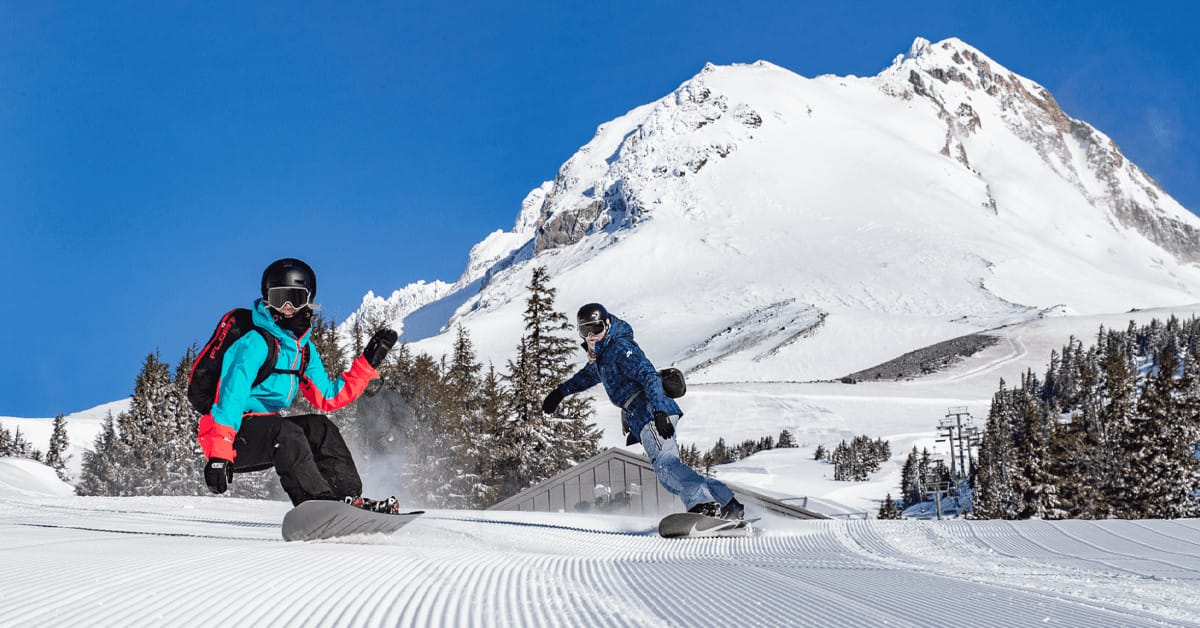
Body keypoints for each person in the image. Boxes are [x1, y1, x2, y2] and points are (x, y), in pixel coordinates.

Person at [196, 258, 401, 512]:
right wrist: (219, 453)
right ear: (267, 300)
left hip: (267, 429)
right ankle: (315, 505)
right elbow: (230, 398)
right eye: (279, 298)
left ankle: (348, 499)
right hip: (232, 435)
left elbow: (327, 397)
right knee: (287, 433)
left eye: (294, 297)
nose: (287, 307)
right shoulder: (254, 343)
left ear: (308, 300)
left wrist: (366, 365)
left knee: (320, 428)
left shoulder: (303, 351)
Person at [541, 303, 744, 520]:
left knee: (666, 468)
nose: (591, 336)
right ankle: (728, 504)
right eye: (585, 331)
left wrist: (658, 412)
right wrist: (559, 393)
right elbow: (586, 377)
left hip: (650, 411)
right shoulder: (604, 356)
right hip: (642, 414)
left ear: (607, 325)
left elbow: (649, 375)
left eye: (596, 329)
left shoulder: (620, 348)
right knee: (671, 467)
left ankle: (703, 505)